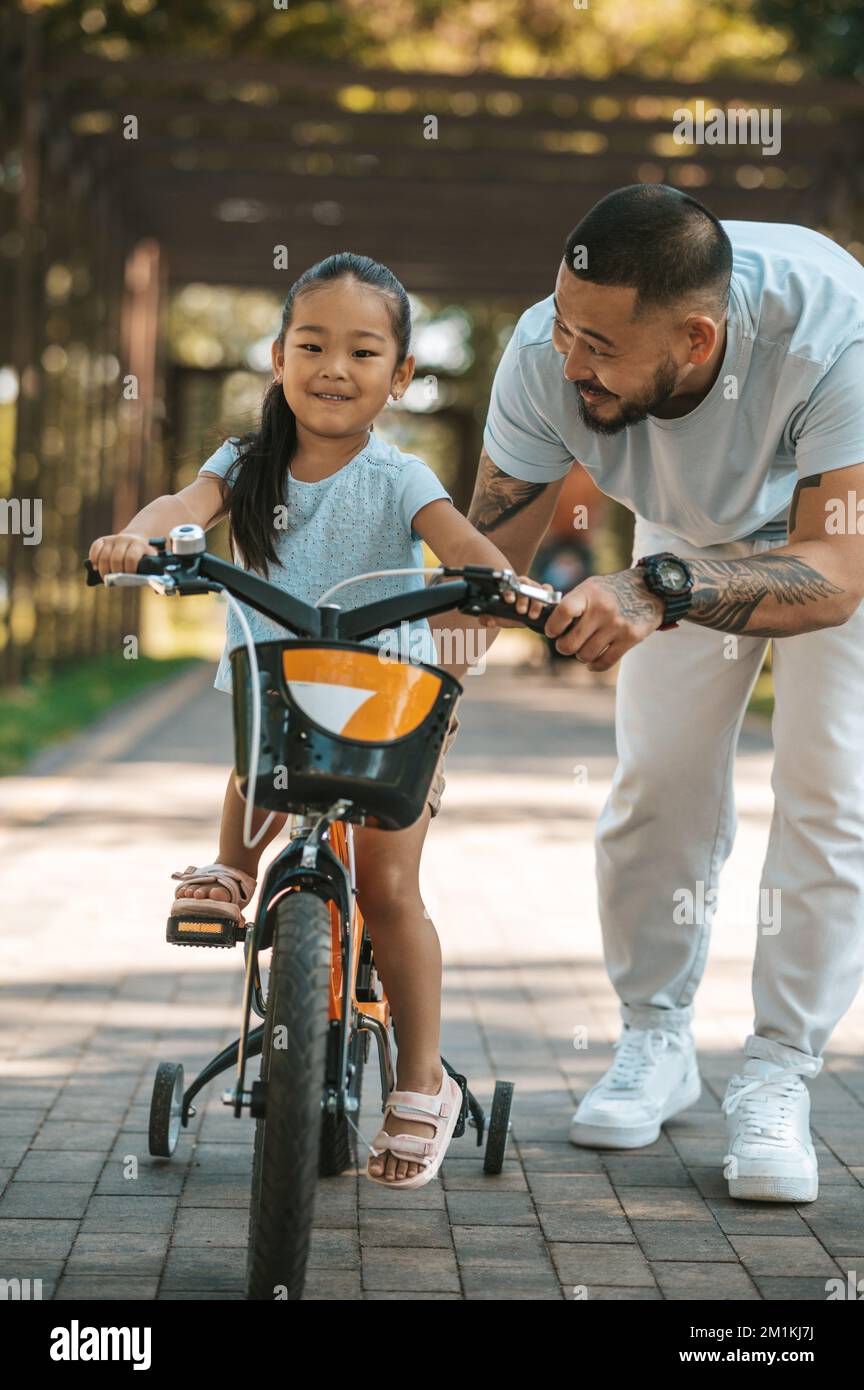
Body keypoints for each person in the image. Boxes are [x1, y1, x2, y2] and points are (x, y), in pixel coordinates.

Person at [441, 185, 864, 1204]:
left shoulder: (836, 333)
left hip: (834, 539)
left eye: (597, 344)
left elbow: (835, 574)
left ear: (695, 336)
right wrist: (417, 721)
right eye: (561, 323)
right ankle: (655, 1039)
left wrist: (647, 590)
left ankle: (777, 1071)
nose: (567, 358)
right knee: (658, 784)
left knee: (831, 790)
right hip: (681, 536)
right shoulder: (547, 352)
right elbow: (487, 566)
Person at [87, 252, 547, 1190]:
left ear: (401, 375)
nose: (335, 367)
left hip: (392, 700)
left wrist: (499, 580)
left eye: (364, 351)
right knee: (260, 763)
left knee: (388, 888)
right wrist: (143, 535)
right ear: (278, 357)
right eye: (313, 345)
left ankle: (420, 1086)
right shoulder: (246, 462)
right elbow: (186, 507)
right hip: (284, 686)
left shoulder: (398, 473)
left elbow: (456, 537)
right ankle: (235, 867)